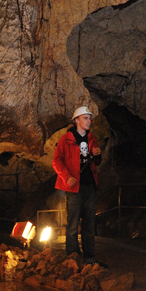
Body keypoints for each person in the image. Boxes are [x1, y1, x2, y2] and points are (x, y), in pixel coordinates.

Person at [52, 106, 102, 264]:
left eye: (89, 118)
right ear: (77, 120)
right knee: (73, 224)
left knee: (89, 224)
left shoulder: (92, 138)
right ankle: (73, 257)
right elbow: (56, 160)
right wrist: (67, 177)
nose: (89, 121)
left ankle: (89, 258)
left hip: (89, 187)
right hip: (74, 188)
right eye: (86, 118)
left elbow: (96, 162)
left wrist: (98, 156)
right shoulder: (66, 139)